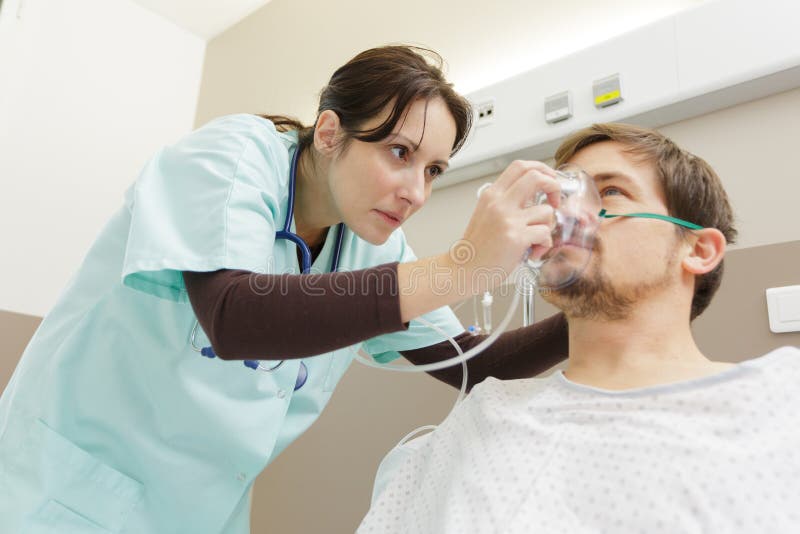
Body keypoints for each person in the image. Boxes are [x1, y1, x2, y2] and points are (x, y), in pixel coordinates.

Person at [0, 45, 572, 533]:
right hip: (69, 493)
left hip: (197, 512)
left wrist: (604, 308)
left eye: (433, 171)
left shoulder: (375, 247)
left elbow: (475, 365)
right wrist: (463, 264)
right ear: (329, 132)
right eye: (400, 153)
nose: (416, 192)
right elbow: (234, 316)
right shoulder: (232, 157)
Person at [359, 123, 800, 534]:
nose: (569, 217)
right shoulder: (480, 422)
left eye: (609, 193)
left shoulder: (779, 404)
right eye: (562, 199)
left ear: (699, 248)